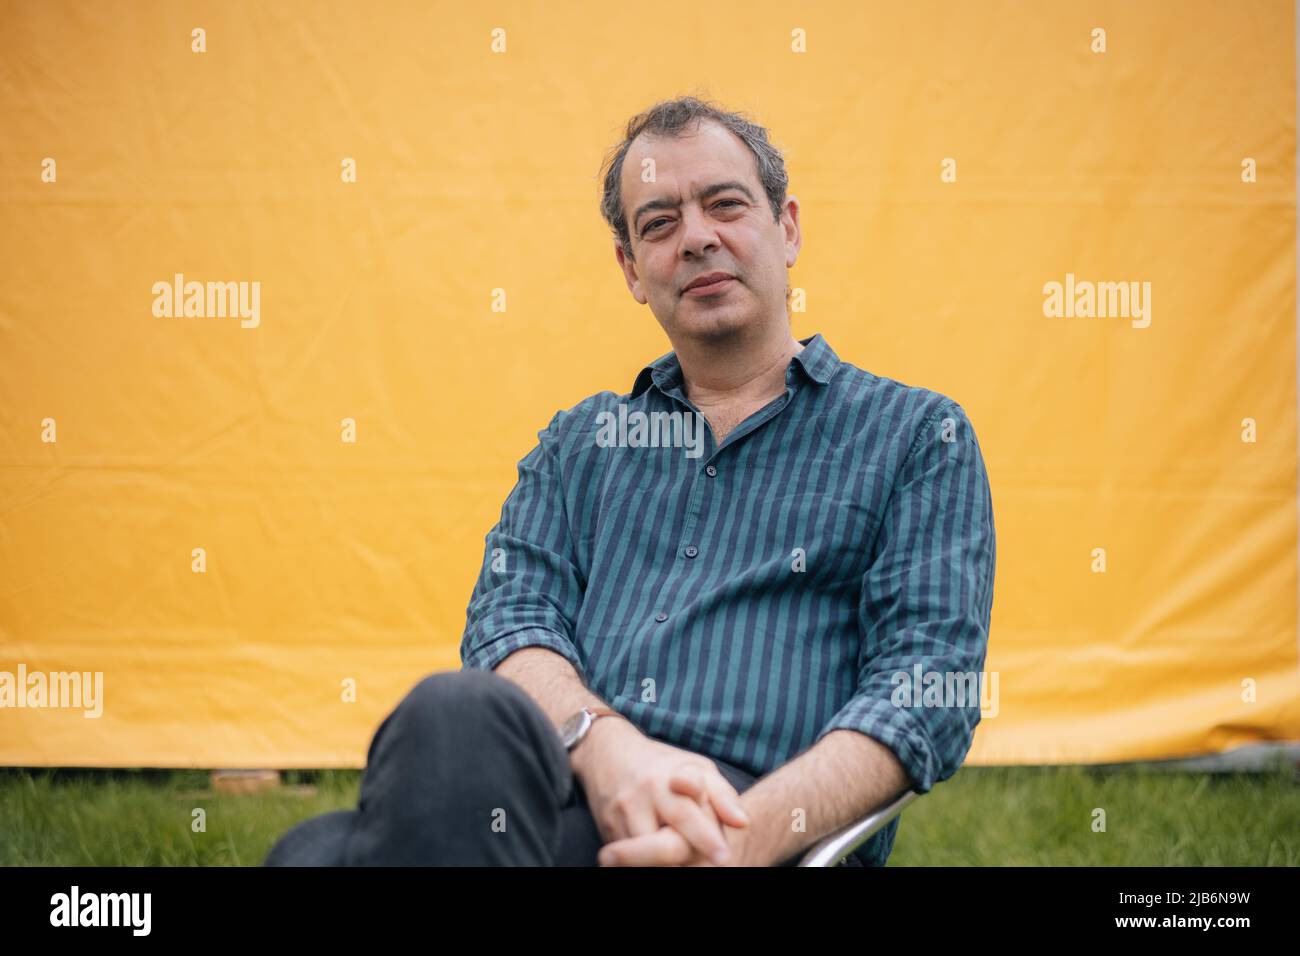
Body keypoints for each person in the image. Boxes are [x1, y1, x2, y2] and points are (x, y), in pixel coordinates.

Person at [265, 94, 996, 867]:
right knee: (452, 713)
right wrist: (611, 754)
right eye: (659, 224)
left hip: (756, 824)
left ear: (787, 229)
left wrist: (734, 840)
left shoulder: (916, 436)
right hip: (560, 793)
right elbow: (509, 626)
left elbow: (925, 691)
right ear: (632, 270)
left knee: (318, 855)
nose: (697, 238)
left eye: (726, 205)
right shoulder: (578, 446)